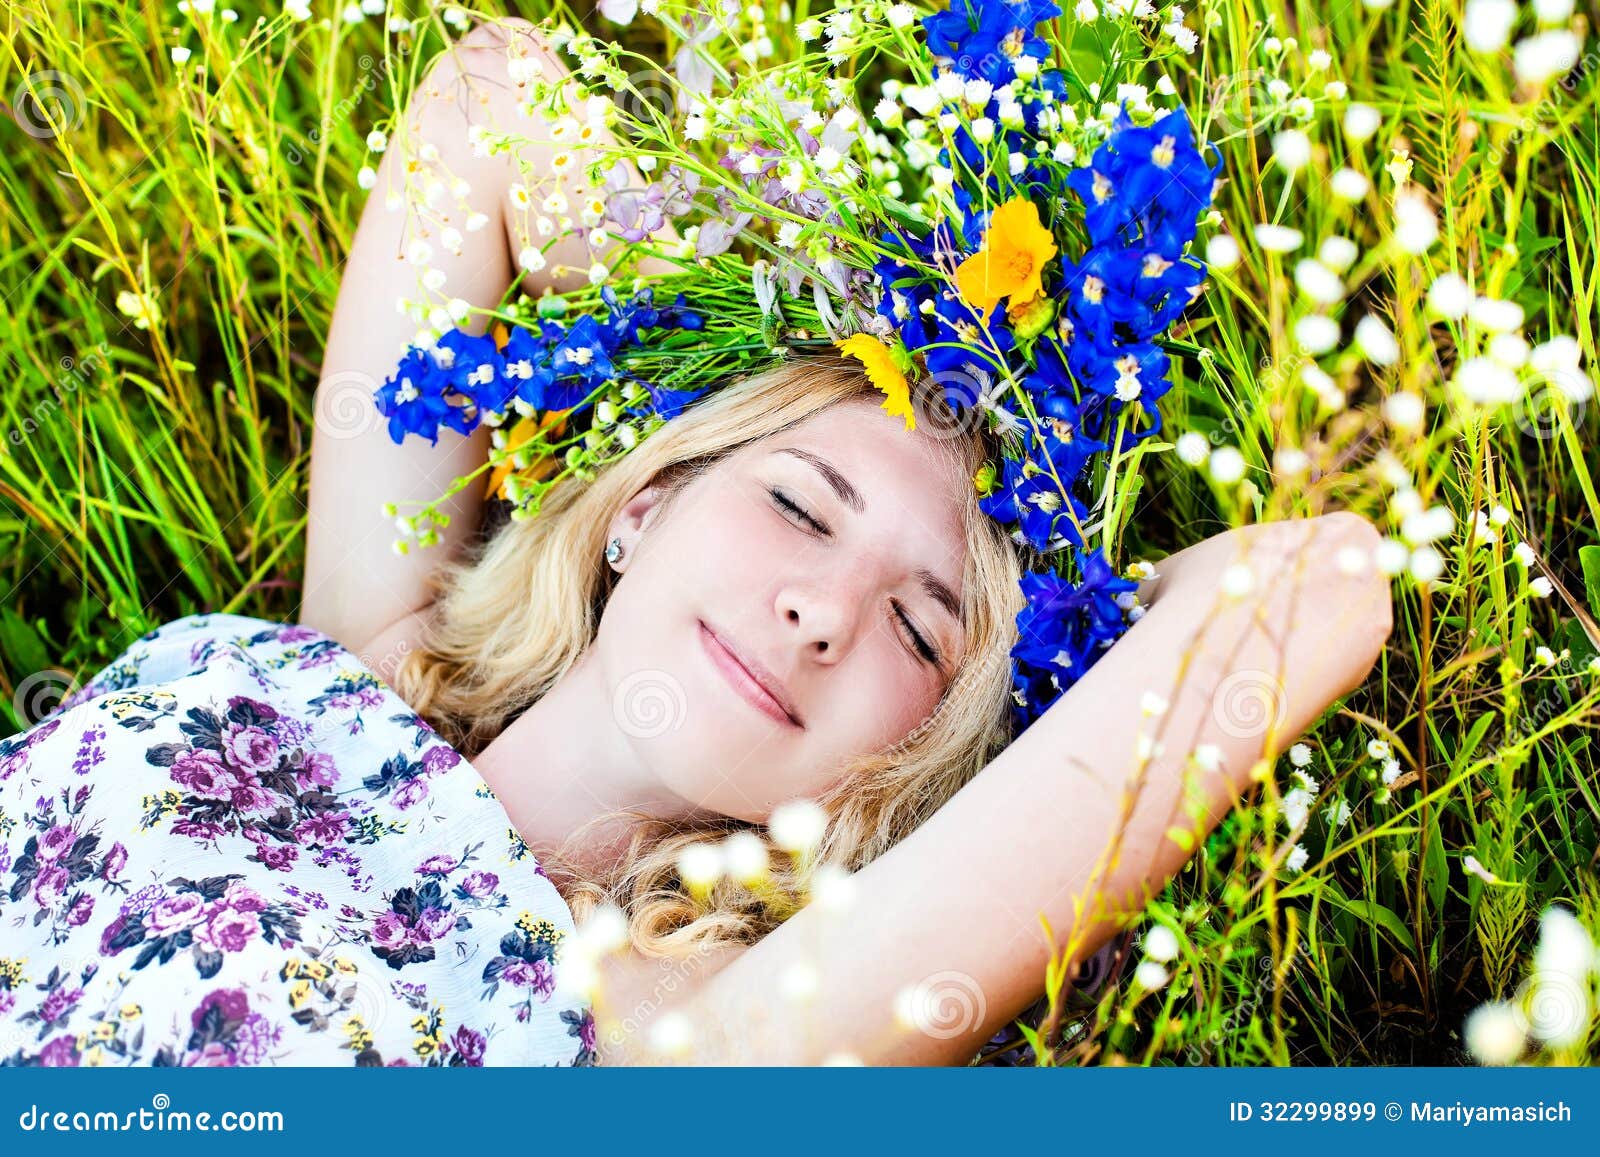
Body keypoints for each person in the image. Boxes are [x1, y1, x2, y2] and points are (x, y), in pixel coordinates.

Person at [0, 19, 1391, 1068]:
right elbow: (491, 105)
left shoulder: (708, 1029)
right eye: (797, 501)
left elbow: (1323, 588)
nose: (824, 613)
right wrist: (793, 282)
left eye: (922, 628)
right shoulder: (362, 648)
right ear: (644, 504)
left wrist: (1069, 612)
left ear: (928, 738)